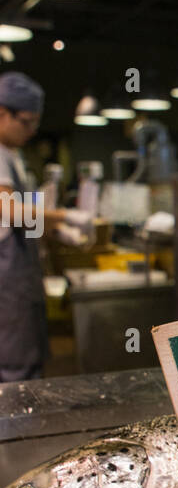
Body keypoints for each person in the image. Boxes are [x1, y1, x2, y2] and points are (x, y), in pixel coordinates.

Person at [0, 72, 86, 381]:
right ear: (2, 113)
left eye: (36, 123)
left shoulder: (14, 156)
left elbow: (27, 220)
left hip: (21, 279)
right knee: (14, 369)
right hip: (7, 284)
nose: (32, 131)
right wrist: (65, 216)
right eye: (26, 122)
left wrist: (57, 234)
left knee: (30, 361)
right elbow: (9, 211)